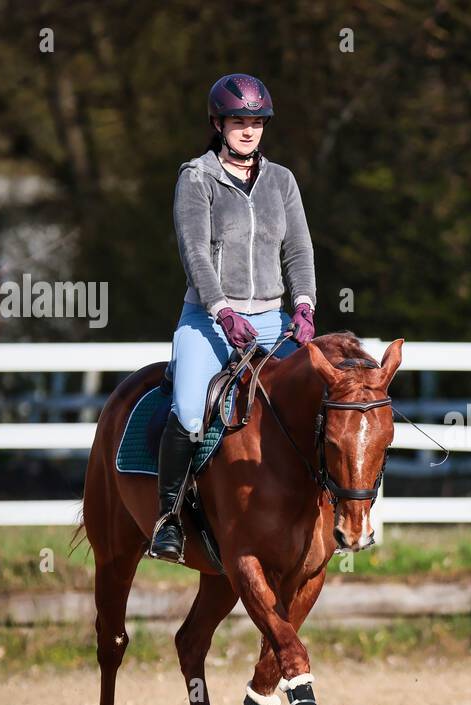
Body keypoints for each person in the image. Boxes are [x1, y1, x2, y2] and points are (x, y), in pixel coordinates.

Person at [150, 73, 317, 562]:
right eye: (239, 121)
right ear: (217, 123)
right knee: (186, 409)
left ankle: (324, 509)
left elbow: (300, 248)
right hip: (208, 320)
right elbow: (195, 253)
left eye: (256, 122)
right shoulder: (196, 178)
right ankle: (168, 519)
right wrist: (221, 311)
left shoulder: (281, 181)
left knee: (320, 397)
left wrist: (305, 303)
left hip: (272, 318)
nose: (248, 130)